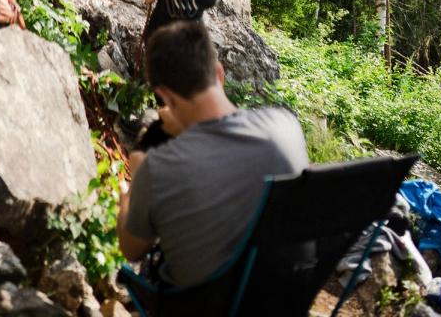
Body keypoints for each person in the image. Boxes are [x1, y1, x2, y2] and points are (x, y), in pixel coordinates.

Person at [117, 21, 309, 287]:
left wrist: (133, 187)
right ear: (219, 74)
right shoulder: (287, 125)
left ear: (164, 96)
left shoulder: (157, 169)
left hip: (202, 307)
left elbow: (131, 249)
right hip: (287, 297)